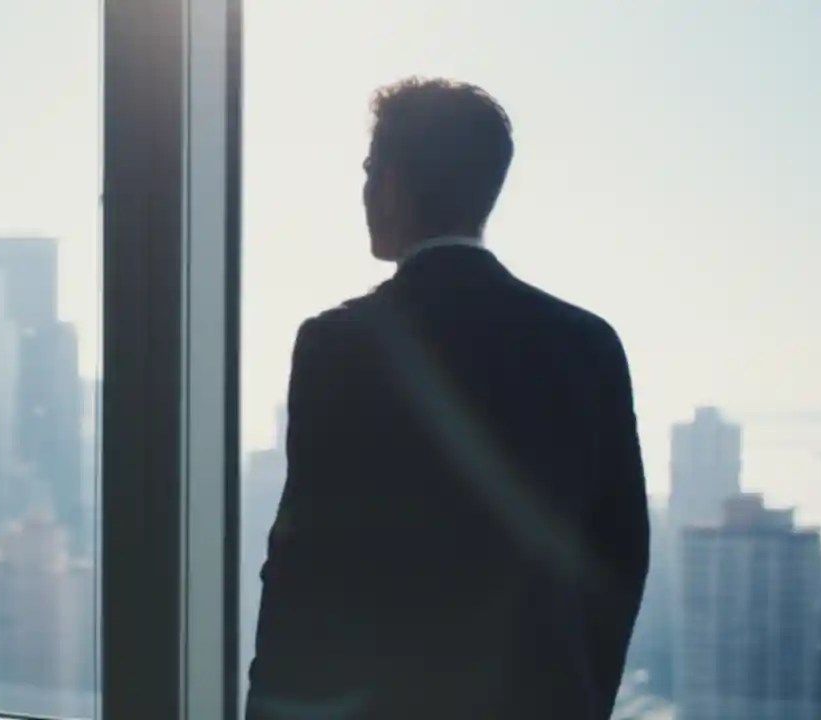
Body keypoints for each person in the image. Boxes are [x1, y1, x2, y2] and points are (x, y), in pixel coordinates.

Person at [247, 78, 650, 719]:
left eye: (371, 170)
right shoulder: (589, 343)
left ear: (397, 183)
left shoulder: (339, 345)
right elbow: (621, 554)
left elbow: (306, 568)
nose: (365, 192)